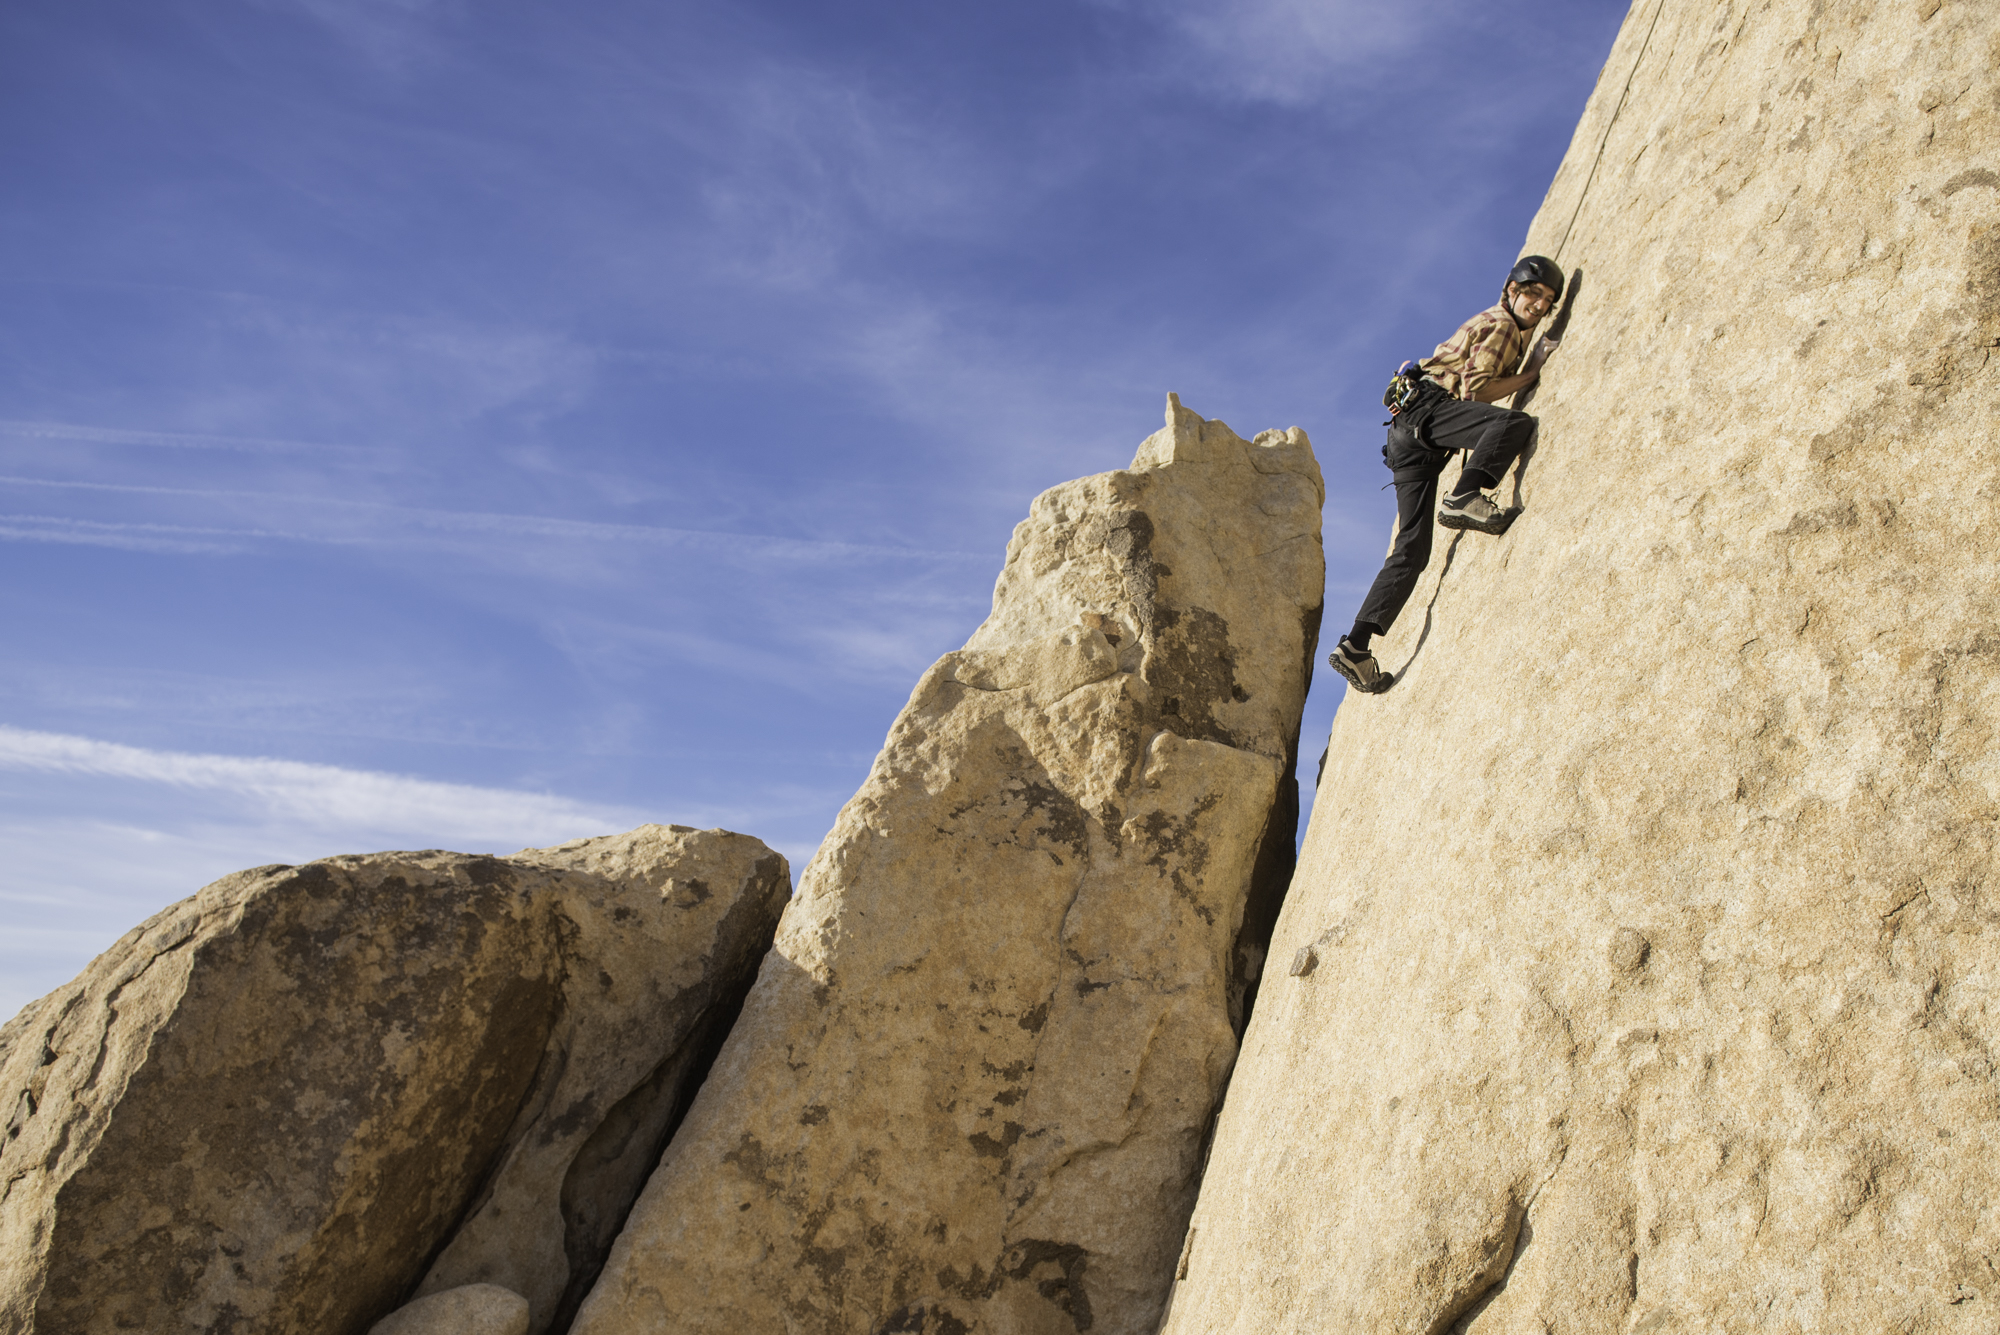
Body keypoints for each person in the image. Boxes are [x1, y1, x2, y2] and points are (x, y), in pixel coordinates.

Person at [1328, 255, 1564, 695]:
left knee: (1411, 549)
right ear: (1511, 290)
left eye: (1547, 301)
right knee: (1513, 424)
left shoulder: (1496, 321)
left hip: (1406, 432)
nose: (1538, 304)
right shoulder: (1505, 325)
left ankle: (1356, 648)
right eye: (1533, 293)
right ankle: (1465, 495)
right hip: (1432, 412)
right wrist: (1531, 372)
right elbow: (1475, 389)